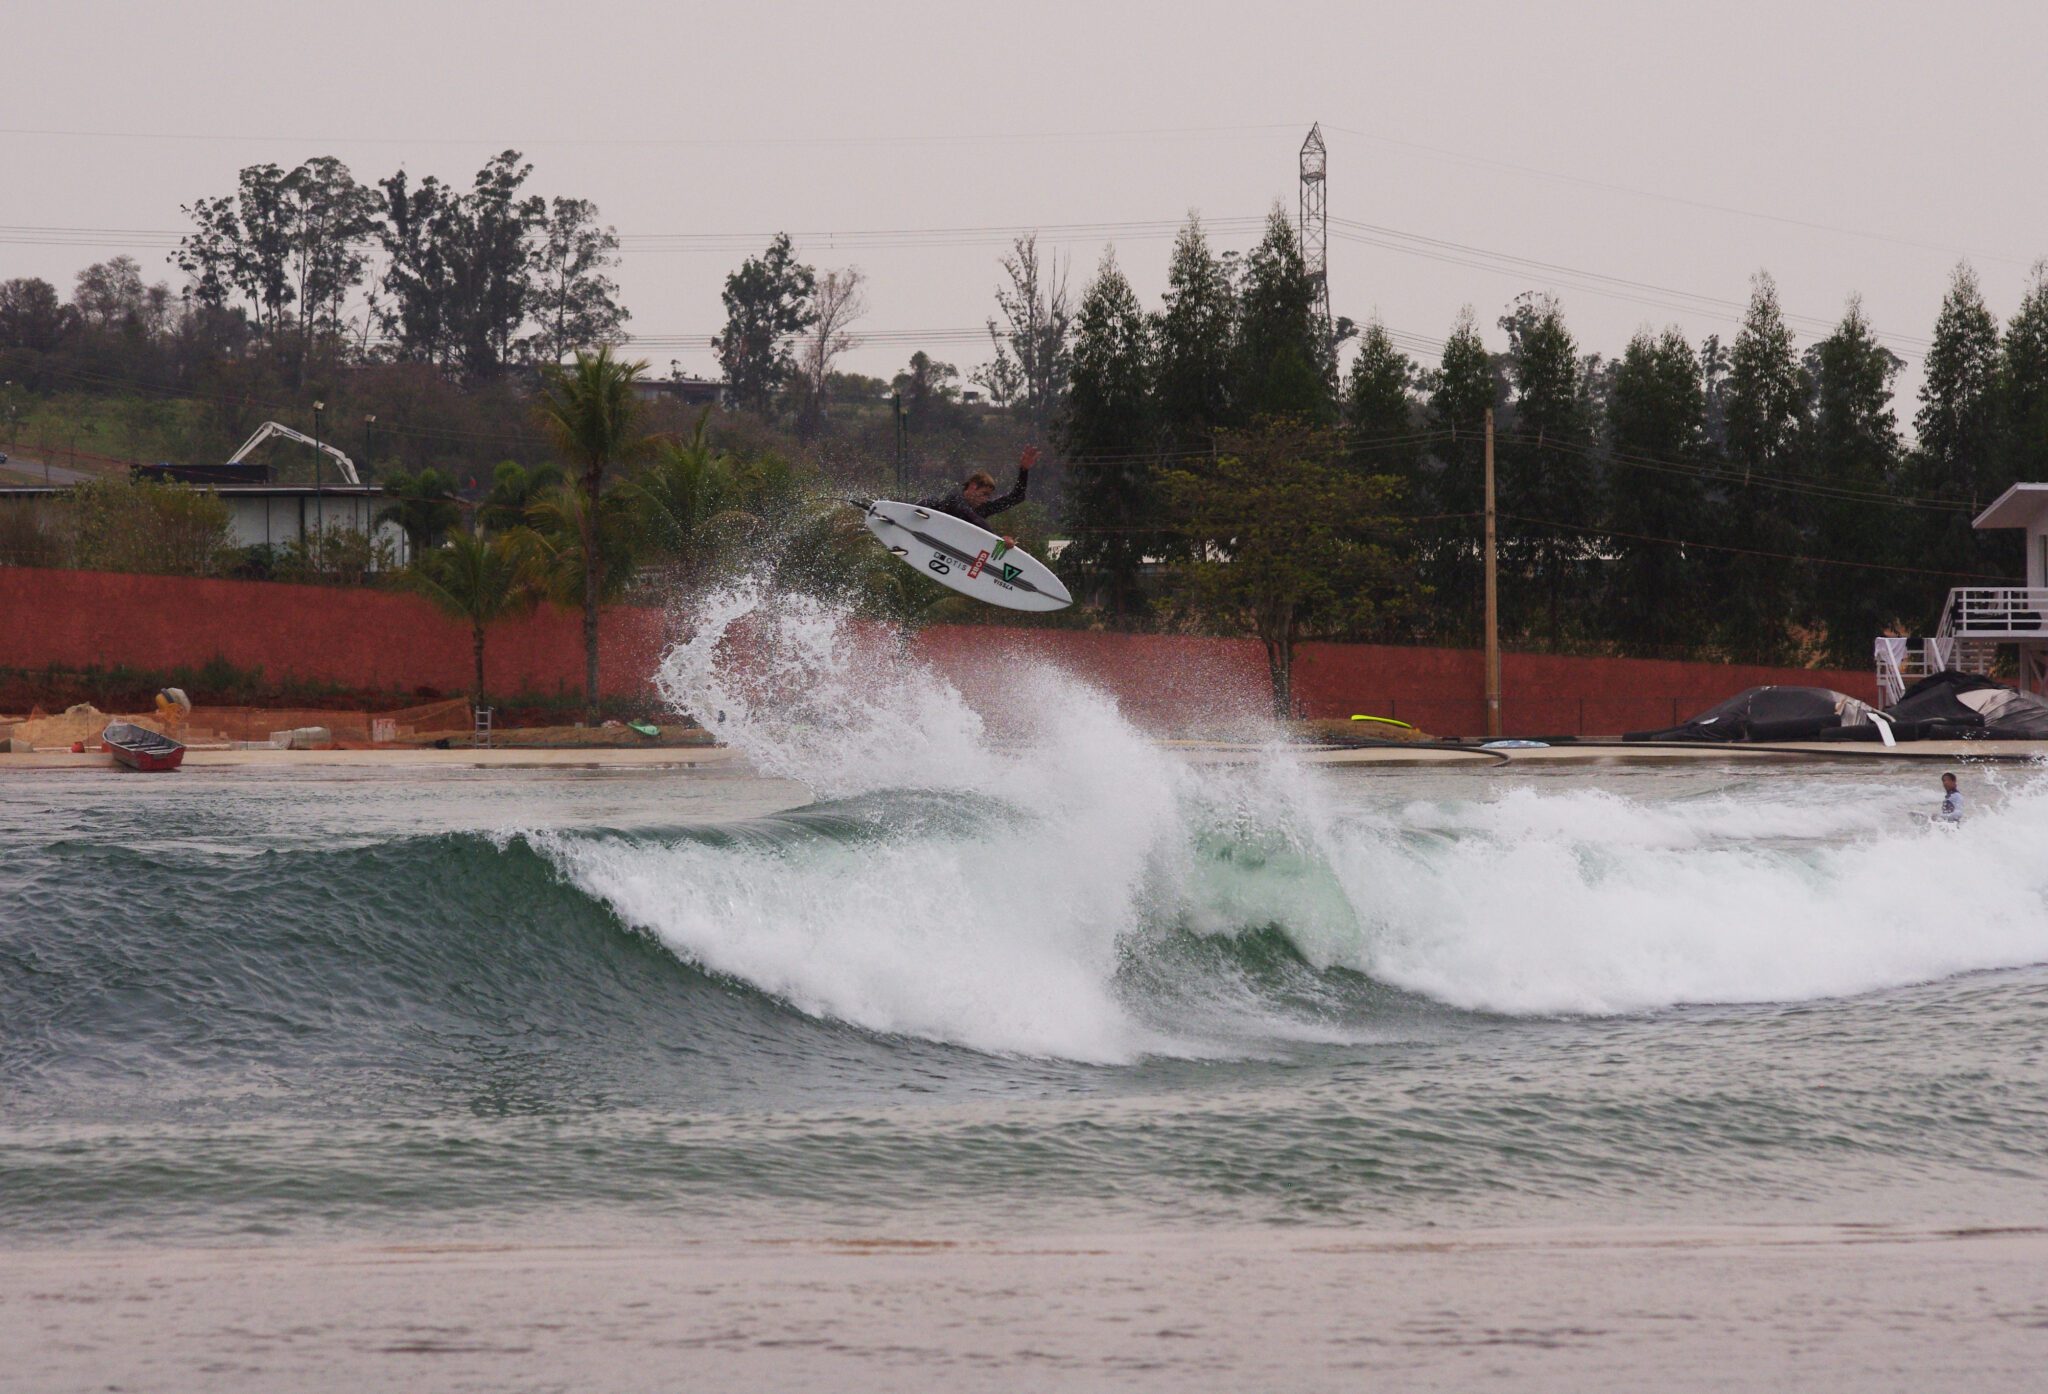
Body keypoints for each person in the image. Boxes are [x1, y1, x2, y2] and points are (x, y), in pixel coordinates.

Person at [919, 446, 1038, 538]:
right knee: (931, 500)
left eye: (988, 496)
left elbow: (1017, 497)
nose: (986, 499)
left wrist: (1024, 470)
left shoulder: (983, 508)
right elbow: (971, 517)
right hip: (927, 523)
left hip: (952, 537)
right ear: (972, 486)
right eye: (984, 494)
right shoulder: (955, 498)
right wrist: (996, 539)